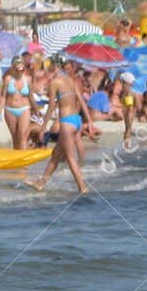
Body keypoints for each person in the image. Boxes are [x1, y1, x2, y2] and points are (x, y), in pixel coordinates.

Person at [25, 62, 90, 194]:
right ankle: (41, 183)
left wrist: (43, 128)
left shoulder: (55, 83)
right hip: (76, 120)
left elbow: (51, 107)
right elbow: (80, 100)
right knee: (55, 155)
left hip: (66, 122)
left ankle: (82, 187)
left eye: (48, 73)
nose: (47, 76)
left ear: (53, 71)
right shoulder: (70, 80)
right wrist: (89, 121)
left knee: (70, 158)